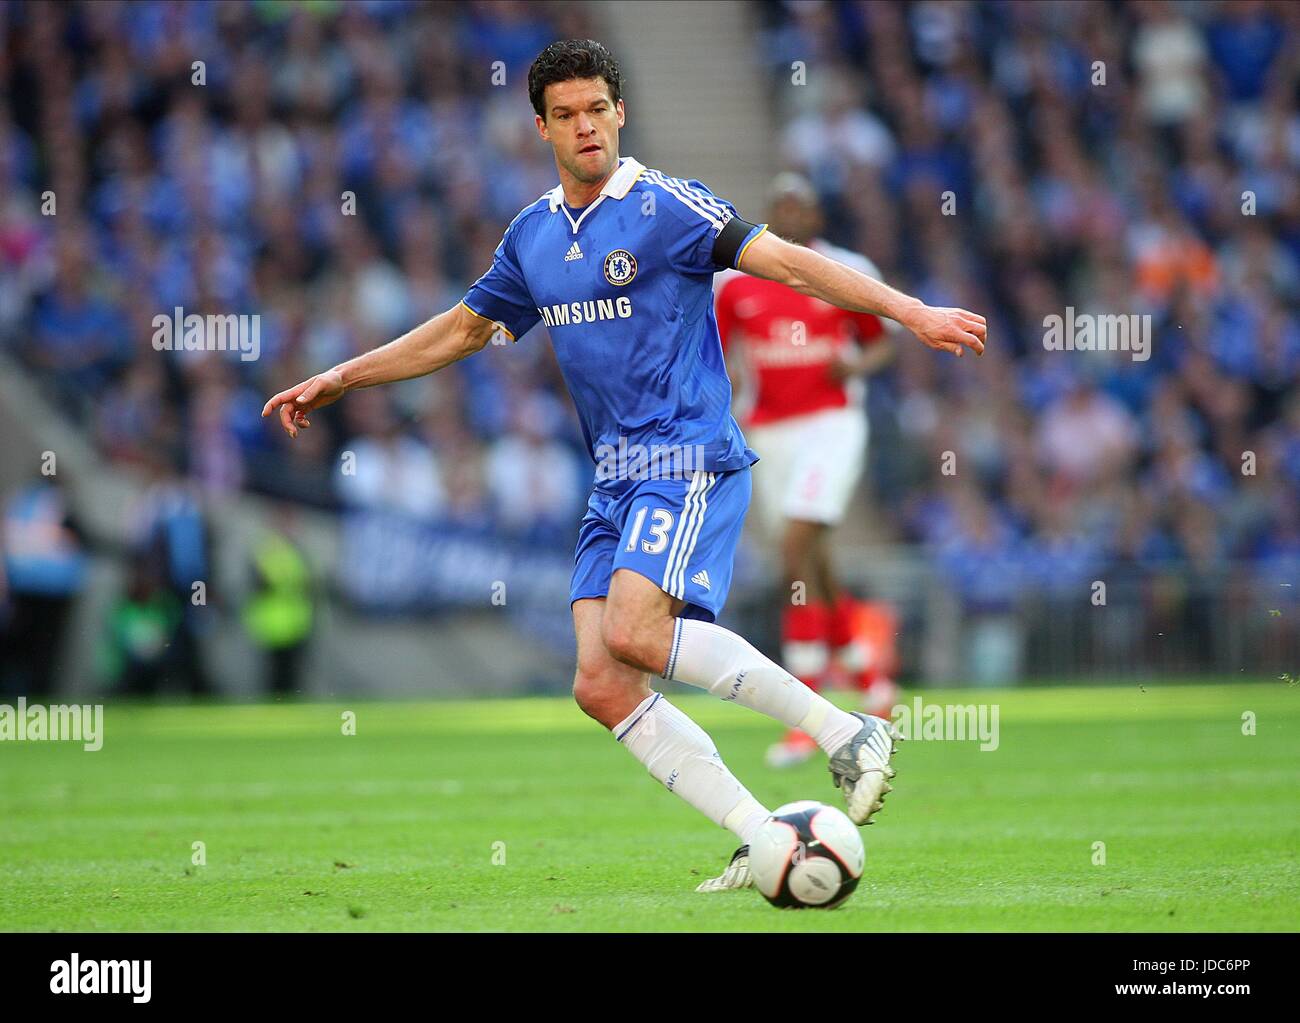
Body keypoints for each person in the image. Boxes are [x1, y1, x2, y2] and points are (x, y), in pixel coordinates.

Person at [263, 39, 986, 892]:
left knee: (636, 632)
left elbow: (788, 262)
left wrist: (911, 312)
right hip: (615, 476)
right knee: (601, 683)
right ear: (541, 127)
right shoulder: (533, 236)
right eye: (565, 115)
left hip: (685, 454)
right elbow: (461, 329)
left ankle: (846, 730)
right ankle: (762, 837)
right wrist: (345, 374)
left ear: (620, 112)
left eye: (597, 109)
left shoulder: (667, 206)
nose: (585, 127)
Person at [716, 173, 901, 768]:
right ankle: (870, 676)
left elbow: (879, 341)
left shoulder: (845, 271)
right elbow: (721, 358)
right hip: (768, 429)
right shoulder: (737, 284)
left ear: (818, 217)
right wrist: (730, 386)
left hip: (831, 424)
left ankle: (809, 707)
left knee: (797, 543)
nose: (790, 215)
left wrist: (855, 367)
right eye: (780, 207)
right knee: (810, 554)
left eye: (801, 206)